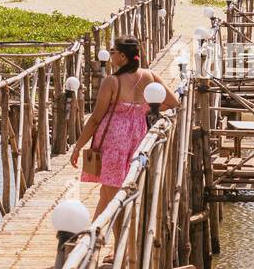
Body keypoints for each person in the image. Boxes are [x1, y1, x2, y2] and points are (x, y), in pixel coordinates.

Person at [70, 35, 178, 214]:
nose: (111, 55)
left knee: (112, 197)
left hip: (114, 143)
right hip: (138, 139)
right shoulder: (149, 76)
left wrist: (77, 147)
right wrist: (147, 108)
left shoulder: (112, 81)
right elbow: (174, 103)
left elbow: (96, 118)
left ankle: (122, 240)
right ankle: (93, 235)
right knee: (107, 194)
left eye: (113, 52)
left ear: (121, 56)